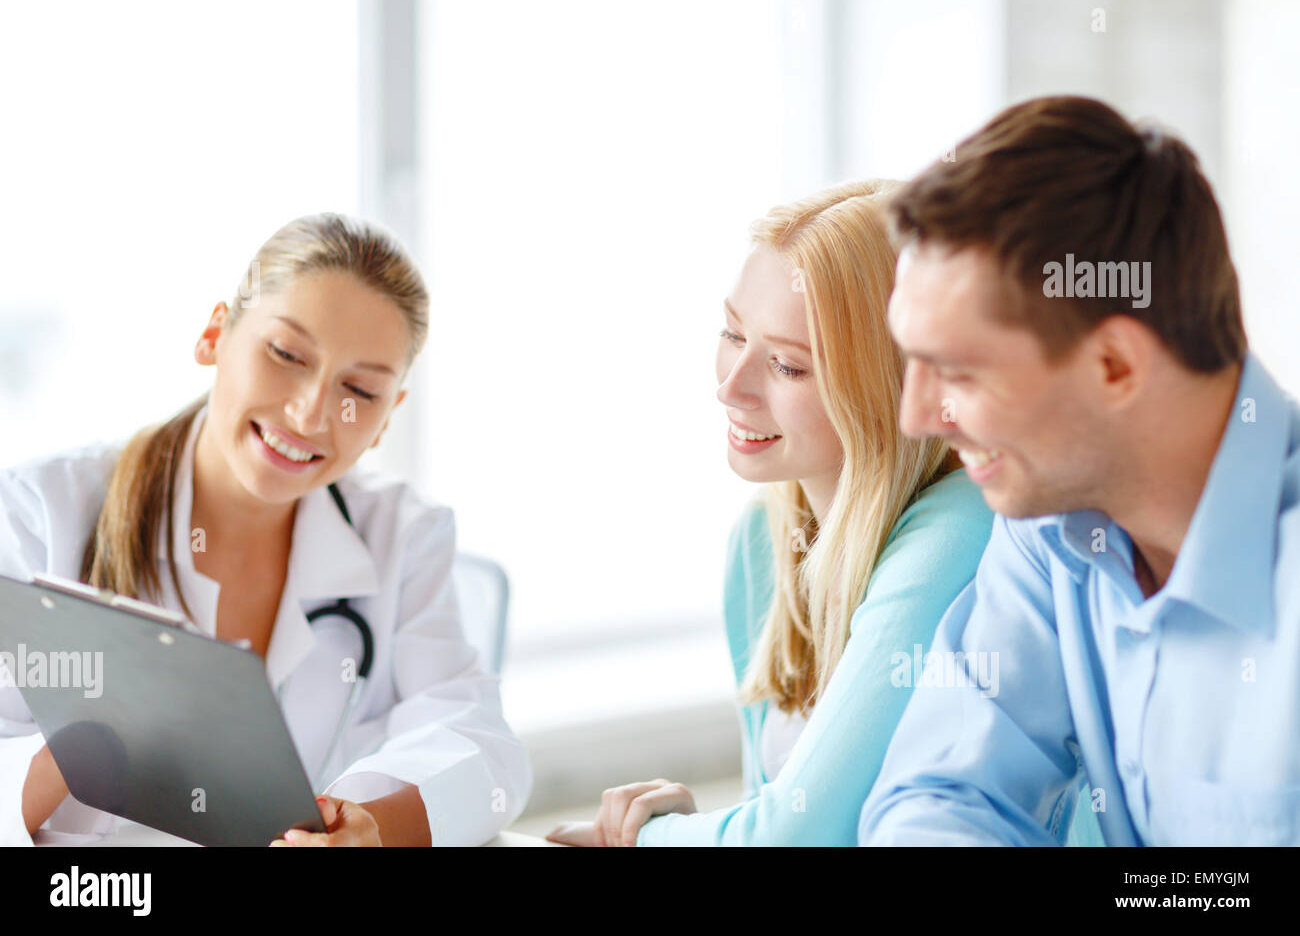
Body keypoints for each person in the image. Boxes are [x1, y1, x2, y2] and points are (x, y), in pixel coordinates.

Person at [0, 213, 531, 846]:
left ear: (389, 416)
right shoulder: (39, 514)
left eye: (359, 390)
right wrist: (85, 741)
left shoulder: (403, 536)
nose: (310, 411)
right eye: (286, 354)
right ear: (215, 335)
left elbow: (478, 742)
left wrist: (371, 829)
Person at [858, 95, 1294, 846]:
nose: (917, 418)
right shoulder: (1052, 529)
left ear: (1115, 365)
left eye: (956, 373)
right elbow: (935, 795)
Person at [547, 180, 997, 846]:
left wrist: (644, 840)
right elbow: (777, 813)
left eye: (786, 365)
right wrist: (694, 824)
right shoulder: (762, 544)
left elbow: (794, 835)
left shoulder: (962, 528)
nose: (730, 386)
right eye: (732, 333)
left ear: (888, 385)